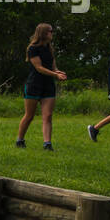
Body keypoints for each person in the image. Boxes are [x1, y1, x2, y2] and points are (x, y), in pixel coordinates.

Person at [15, 22, 66, 150]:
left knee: (48, 115)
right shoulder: (33, 48)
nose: (52, 33)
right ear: (43, 33)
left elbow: (52, 64)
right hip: (34, 85)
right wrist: (55, 75)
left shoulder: (49, 47)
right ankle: (20, 140)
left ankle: (47, 144)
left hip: (48, 85)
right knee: (29, 115)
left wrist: (57, 71)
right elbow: (39, 68)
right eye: (50, 31)